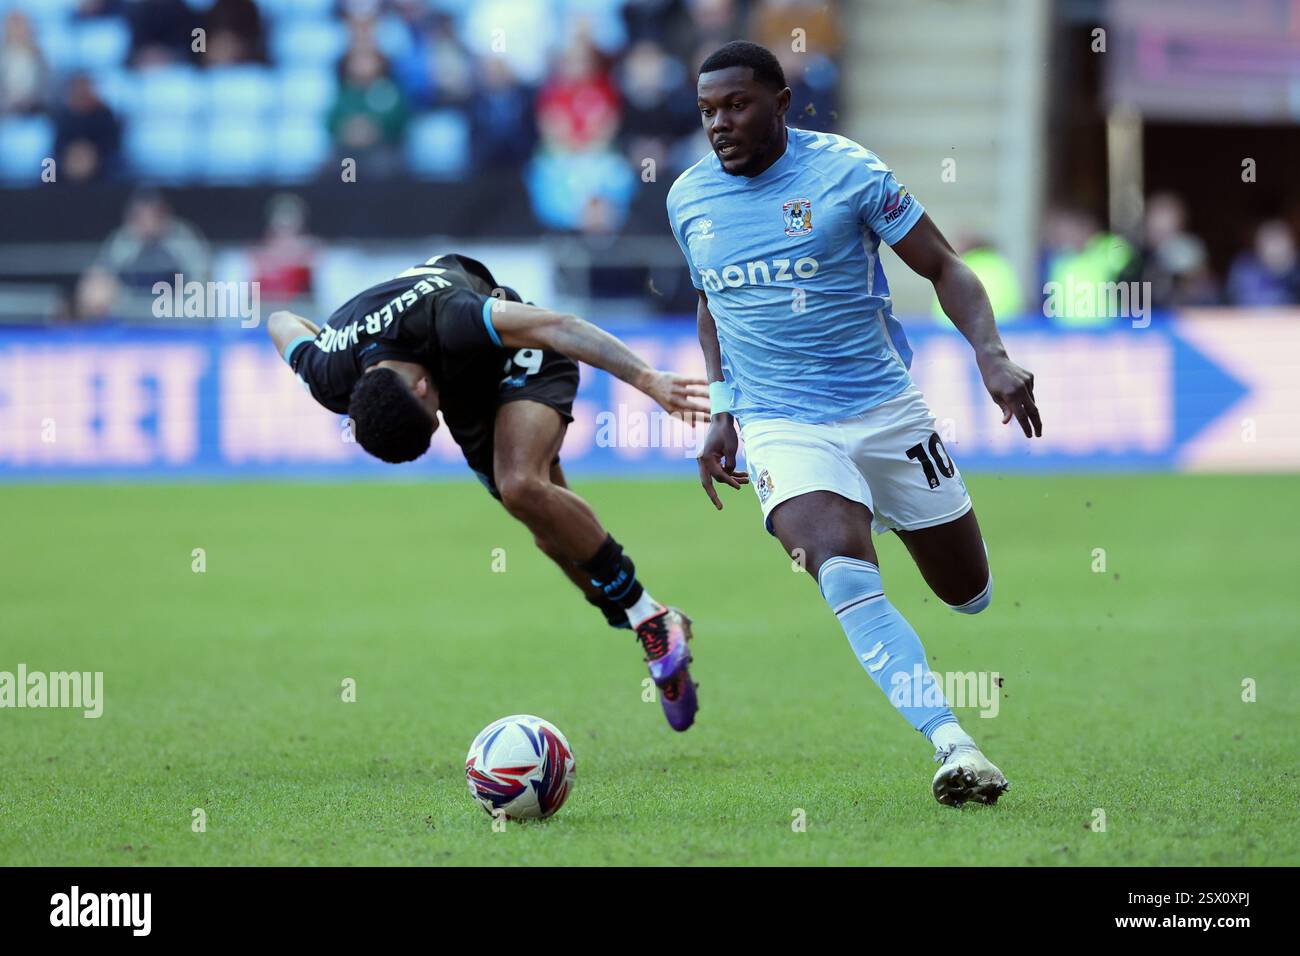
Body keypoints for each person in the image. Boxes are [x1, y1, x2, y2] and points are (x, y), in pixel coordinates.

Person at [669, 41, 1041, 806]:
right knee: (839, 566)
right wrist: (725, 408)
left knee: (967, 594)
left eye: (736, 105)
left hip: (884, 411)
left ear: (781, 103)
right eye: (707, 110)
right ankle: (953, 743)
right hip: (782, 425)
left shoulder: (848, 172)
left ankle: (893, 511)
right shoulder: (687, 199)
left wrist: (991, 356)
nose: (720, 124)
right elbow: (713, 302)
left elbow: (945, 266)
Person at [267, 253, 708, 730]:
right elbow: (280, 319)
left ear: (419, 387)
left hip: (516, 353)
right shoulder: (328, 372)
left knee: (520, 484)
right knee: (550, 535)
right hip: (462, 390)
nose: (439, 425)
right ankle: (647, 624)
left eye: (431, 420)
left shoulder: (448, 316)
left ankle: (649, 617)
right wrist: (330, 335)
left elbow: (558, 325)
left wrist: (648, 379)